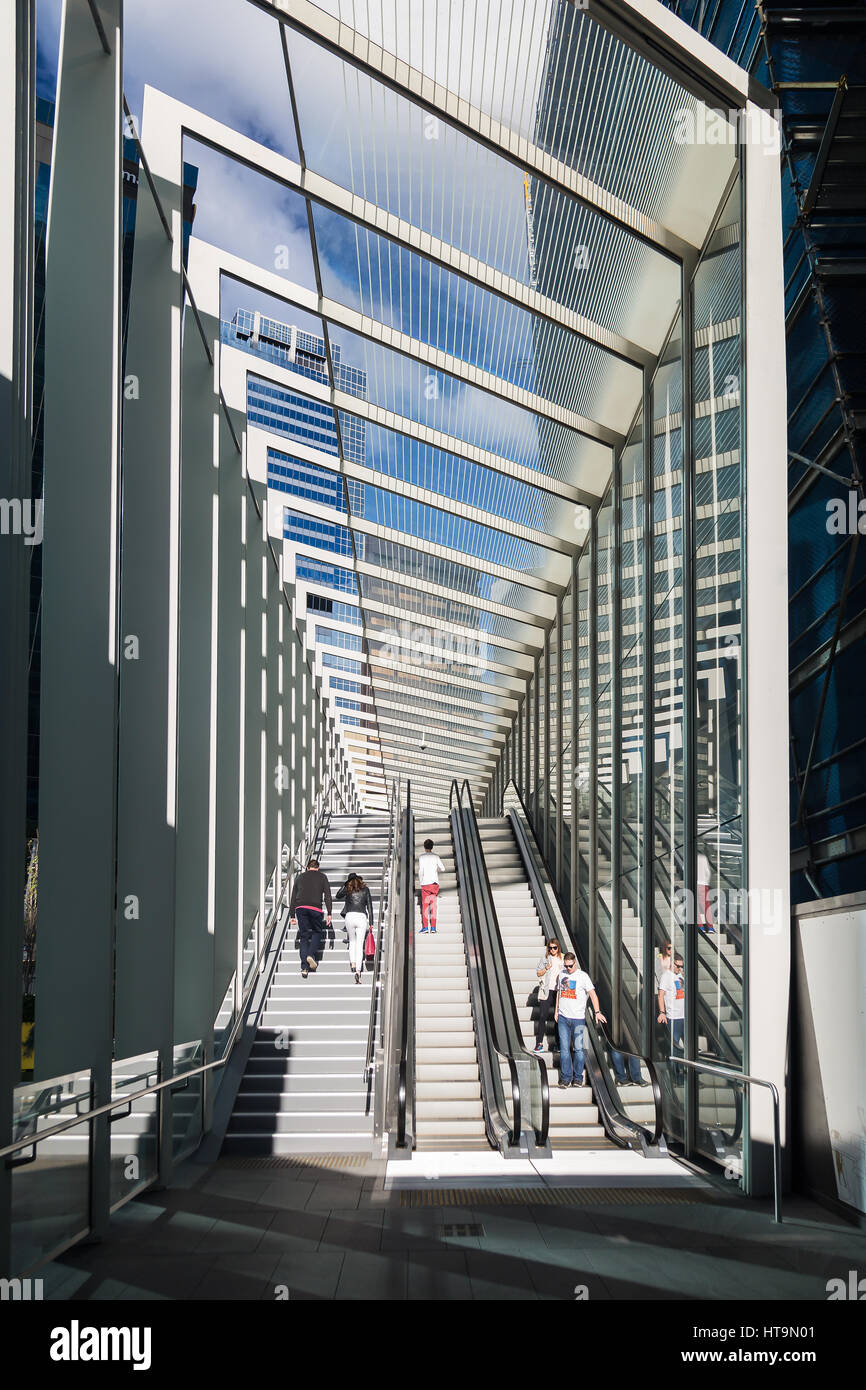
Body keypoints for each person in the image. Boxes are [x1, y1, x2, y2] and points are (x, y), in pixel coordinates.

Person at [554, 952, 606, 1089]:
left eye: (570, 966)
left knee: (579, 1049)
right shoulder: (562, 975)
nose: (568, 968)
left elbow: (593, 995)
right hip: (563, 1018)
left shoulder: (583, 977)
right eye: (566, 966)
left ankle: (577, 1078)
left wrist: (597, 1012)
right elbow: (559, 993)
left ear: (575, 963)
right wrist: (556, 1010)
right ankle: (565, 1078)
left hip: (578, 1019)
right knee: (564, 1049)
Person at [289, 857, 332, 978]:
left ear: (308, 868)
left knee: (304, 936)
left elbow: (293, 896)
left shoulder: (300, 877)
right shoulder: (322, 877)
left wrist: (292, 915)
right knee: (317, 932)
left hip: (300, 907)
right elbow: (327, 896)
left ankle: (304, 967)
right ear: (317, 868)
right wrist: (329, 913)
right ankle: (311, 955)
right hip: (315, 908)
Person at [336, 871, 374, 984]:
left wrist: (345, 884)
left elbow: (338, 895)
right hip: (361, 916)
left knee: (352, 942)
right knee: (359, 944)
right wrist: (371, 922)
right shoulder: (365, 890)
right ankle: (358, 971)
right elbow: (370, 907)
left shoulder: (348, 889)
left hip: (350, 916)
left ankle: (352, 964)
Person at [657, 952, 685, 1077]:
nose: (680, 969)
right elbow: (661, 996)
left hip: (684, 1015)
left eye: (682, 966)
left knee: (686, 1048)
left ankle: (684, 1073)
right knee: (674, 1048)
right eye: (678, 966)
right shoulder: (666, 976)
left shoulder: (680, 975)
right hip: (673, 1017)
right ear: (671, 964)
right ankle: (675, 1075)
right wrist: (662, 1012)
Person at [533, 938, 563, 1052]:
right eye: (550, 948)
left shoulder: (563, 958)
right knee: (542, 1016)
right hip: (547, 991)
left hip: (559, 991)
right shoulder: (545, 959)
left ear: (558, 947)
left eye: (554, 947)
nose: (552, 950)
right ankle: (539, 1043)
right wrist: (546, 968)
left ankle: (558, 1044)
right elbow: (538, 973)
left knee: (558, 1018)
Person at [417, 838, 445, 934]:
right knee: (433, 906)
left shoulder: (421, 857)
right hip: (434, 884)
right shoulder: (436, 857)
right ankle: (433, 927)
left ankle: (425, 928)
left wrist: (421, 881)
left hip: (425, 884)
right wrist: (435, 869)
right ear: (432, 847)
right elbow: (443, 868)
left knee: (425, 906)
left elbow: (421, 871)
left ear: (424, 847)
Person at [697, 851, 715, 933]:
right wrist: (706, 882)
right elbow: (708, 872)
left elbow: (684, 868)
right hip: (704, 885)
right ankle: (710, 927)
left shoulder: (689, 857)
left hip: (694, 884)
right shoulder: (704, 857)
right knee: (707, 907)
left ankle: (701, 927)